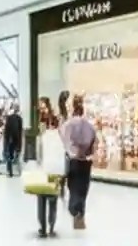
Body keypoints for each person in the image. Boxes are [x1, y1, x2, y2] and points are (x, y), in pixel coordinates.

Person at [61, 94, 95, 230]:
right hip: (85, 161)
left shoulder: (68, 125)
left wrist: (71, 151)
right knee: (83, 188)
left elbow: (64, 141)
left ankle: (75, 210)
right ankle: (80, 212)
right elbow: (93, 142)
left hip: (73, 160)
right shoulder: (89, 126)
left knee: (73, 187)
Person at [34, 110, 67, 237]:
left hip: (45, 170)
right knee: (53, 201)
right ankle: (51, 226)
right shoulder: (62, 138)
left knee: (41, 201)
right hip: (57, 172)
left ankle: (42, 228)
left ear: (47, 124)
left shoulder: (42, 137)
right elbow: (65, 155)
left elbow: (38, 157)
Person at [4, 104, 24, 177]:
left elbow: (6, 131)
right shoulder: (20, 119)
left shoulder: (9, 118)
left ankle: (9, 171)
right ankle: (18, 171)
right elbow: (20, 131)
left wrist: (6, 141)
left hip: (10, 139)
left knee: (9, 155)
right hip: (17, 139)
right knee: (16, 155)